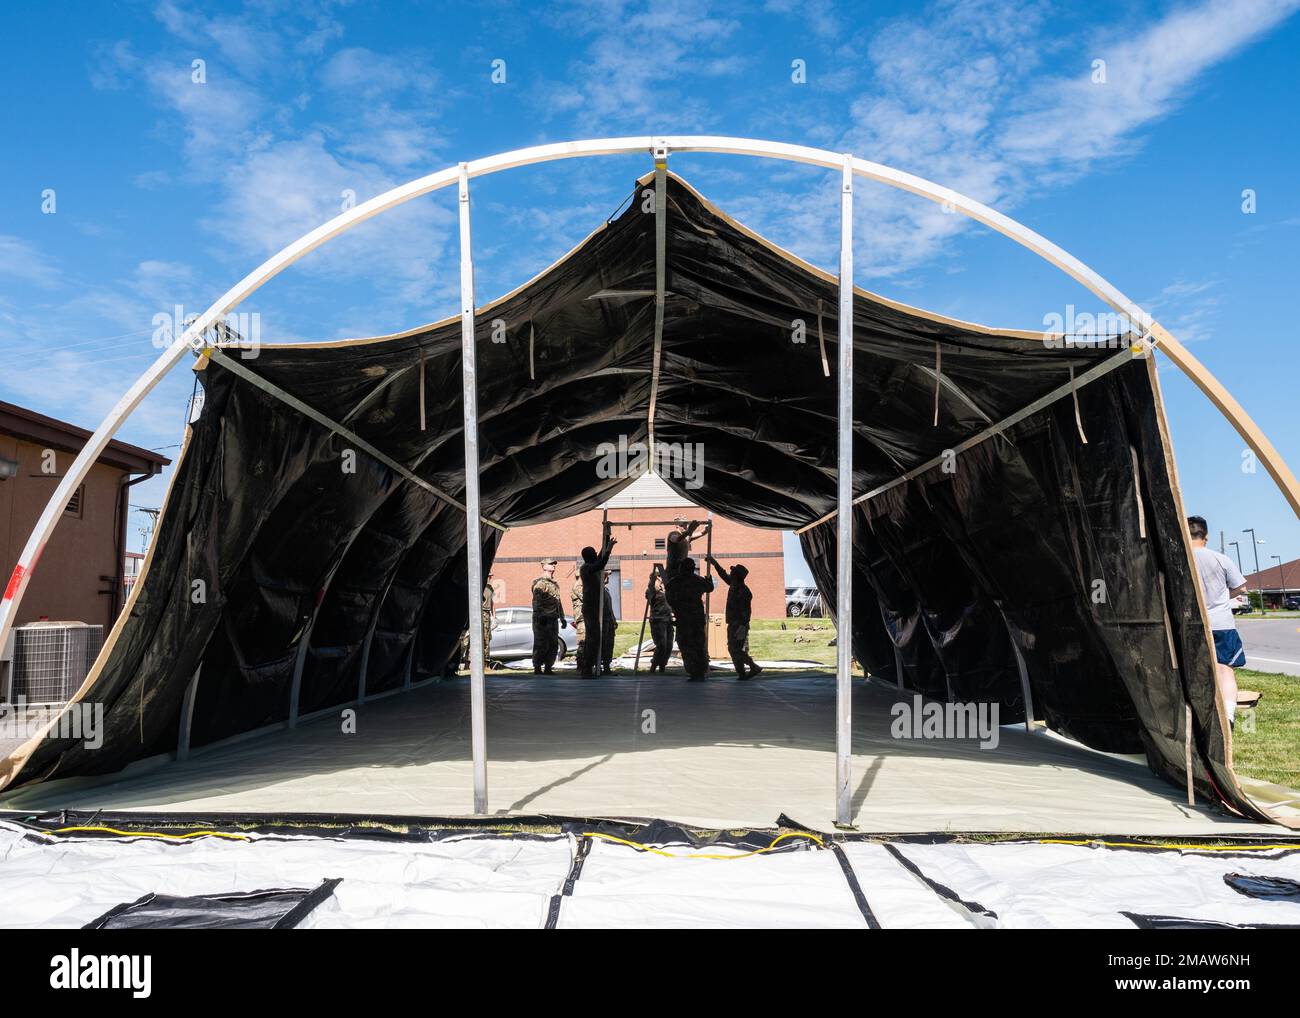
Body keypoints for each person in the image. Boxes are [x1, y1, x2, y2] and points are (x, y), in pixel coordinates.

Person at [1188, 516, 1248, 726]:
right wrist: (1223, 597)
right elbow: (1241, 588)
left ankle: (1200, 716)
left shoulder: (1181, 559)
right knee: (1225, 670)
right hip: (1222, 623)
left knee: (1196, 671)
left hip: (1192, 624)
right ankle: (1229, 716)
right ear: (1206, 535)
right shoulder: (1220, 559)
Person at [707, 554, 762, 680]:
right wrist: (714, 563)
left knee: (734, 649)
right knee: (733, 649)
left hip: (739, 625)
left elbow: (746, 612)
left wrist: (742, 627)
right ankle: (742, 673)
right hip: (733, 623)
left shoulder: (744, 591)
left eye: (733, 572)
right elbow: (723, 574)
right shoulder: (734, 584)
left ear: (737, 576)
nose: (730, 573)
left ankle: (753, 666)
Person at [577, 529, 616, 677]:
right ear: (589, 557)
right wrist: (609, 549)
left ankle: (598, 666)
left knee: (600, 638)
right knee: (593, 639)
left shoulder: (591, 565)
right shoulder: (586, 568)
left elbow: (600, 556)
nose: (596, 555)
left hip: (595, 607)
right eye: (593, 553)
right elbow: (601, 562)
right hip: (591, 608)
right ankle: (586, 669)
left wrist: (606, 535)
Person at [666, 557, 713, 680]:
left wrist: (676, 607)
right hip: (697, 618)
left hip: (683, 619)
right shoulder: (698, 580)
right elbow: (710, 588)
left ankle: (693, 671)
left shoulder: (675, 582)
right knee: (698, 645)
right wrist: (710, 581)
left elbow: (669, 596)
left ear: (682, 568)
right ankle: (700, 671)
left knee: (686, 645)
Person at [530, 559, 566, 674]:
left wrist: (562, 617)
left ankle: (548, 667)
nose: (554, 566)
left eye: (554, 564)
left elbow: (558, 602)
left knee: (553, 643)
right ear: (544, 566)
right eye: (551, 564)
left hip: (552, 618)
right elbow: (536, 602)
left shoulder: (554, 584)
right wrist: (540, 615)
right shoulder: (540, 583)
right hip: (542, 618)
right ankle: (537, 667)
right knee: (541, 643)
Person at [462, 573, 496, 670]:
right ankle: (468, 663)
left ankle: (485, 663)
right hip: (479, 613)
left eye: (490, 576)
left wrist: (494, 616)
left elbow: (492, 603)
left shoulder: (490, 588)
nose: (490, 578)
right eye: (488, 576)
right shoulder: (477, 586)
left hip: (487, 613)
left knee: (486, 638)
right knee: (473, 639)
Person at [645, 564, 674, 673]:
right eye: (659, 577)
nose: (661, 579)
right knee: (661, 645)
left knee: (669, 645)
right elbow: (650, 592)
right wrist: (654, 579)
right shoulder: (651, 590)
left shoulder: (665, 589)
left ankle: (662, 666)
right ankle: (654, 666)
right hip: (658, 620)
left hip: (668, 620)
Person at [600, 569, 617, 674]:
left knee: (609, 644)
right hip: (603, 621)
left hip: (609, 621)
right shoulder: (599, 590)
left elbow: (610, 608)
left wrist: (613, 619)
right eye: (606, 575)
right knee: (603, 644)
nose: (608, 577)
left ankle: (607, 666)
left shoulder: (606, 590)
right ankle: (600, 666)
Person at [570, 569, 586, 669]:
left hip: (585, 617)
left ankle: (584, 665)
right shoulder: (578, 586)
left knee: (586, 642)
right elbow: (586, 598)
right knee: (582, 642)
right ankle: (580, 665)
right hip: (582, 618)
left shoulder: (582, 585)